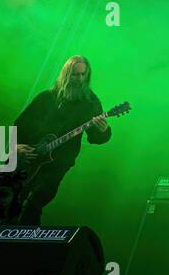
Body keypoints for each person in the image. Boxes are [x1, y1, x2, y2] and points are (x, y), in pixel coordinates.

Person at [12, 55, 112, 225]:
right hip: (28, 157)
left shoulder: (91, 102)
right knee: (11, 200)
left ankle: (26, 244)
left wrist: (103, 131)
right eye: (74, 75)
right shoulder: (47, 97)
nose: (79, 79)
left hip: (57, 164)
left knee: (34, 203)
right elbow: (19, 125)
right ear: (66, 74)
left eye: (83, 75)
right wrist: (16, 146)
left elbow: (95, 138)